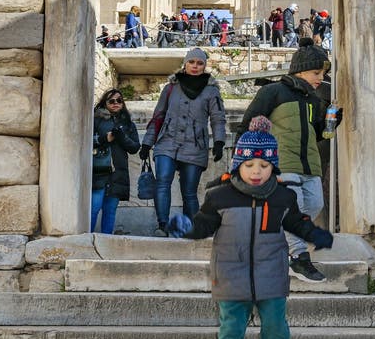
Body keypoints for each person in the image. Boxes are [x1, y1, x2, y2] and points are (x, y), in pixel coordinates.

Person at [185, 115, 333, 339]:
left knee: (276, 329)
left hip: (271, 275)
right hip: (230, 275)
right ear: (238, 164)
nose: (256, 171)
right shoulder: (220, 196)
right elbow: (204, 225)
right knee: (231, 332)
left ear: (273, 166)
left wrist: (314, 234)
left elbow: (295, 223)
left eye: (264, 165)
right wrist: (187, 227)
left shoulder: (282, 197)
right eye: (250, 165)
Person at [237, 38, 341, 283]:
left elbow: (319, 134)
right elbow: (247, 124)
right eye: (317, 72)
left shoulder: (314, 100)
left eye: (323, 73)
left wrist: (332, 123)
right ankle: (298, 258)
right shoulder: (272, 92)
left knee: (313, 206)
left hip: (310, 164)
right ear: (300, 70)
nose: (320, 78)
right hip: (280, 161)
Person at [139, 47, 226, 236]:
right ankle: (162, 225)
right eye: (192, 62)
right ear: (185, 63)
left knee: (189, 191)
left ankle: (191, 228)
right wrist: (147, 142)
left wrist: (219, 142)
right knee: (162, 182)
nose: (195, 66)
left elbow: (218, 118)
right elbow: (158, 115)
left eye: (199, 63)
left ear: (204, 66)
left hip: (195, 145)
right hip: (167, 141)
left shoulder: (211, 91)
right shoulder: (171, 88)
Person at [91, 88, 140, 234]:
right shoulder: (95, 119)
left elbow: (134, 147)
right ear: (105, 103)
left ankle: (106, 241)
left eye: (119, 100)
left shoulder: (128, 124)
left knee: (110, 210)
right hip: (99, 170)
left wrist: (121, 137)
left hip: (118, 171)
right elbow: (84, 140)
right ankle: (87, 239)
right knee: (94, 207)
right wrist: (104, 139)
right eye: (111, 101)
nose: (115, 103)